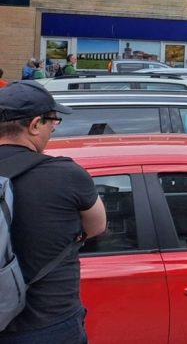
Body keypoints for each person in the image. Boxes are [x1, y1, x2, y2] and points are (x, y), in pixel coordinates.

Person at [0, 81, 107, 343]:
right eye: (52, 121)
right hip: (47, 324)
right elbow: (97, 227)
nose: (53, 129)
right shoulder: (66, 175)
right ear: (35, 125)